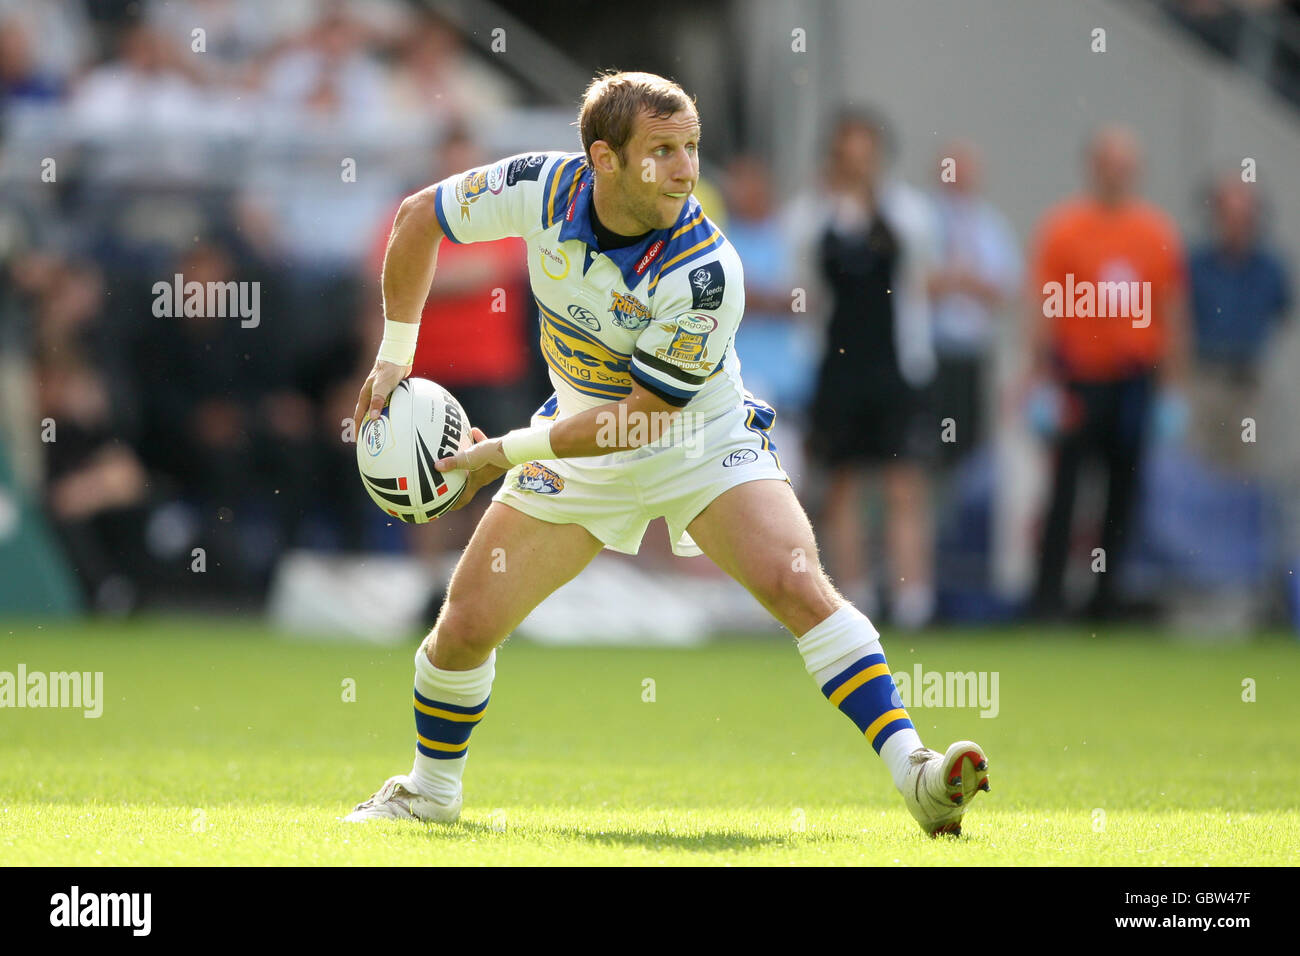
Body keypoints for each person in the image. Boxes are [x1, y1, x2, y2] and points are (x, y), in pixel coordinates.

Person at [345, 72, 989, 836]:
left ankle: (916, 773)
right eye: (663, 151)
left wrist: (506, 453)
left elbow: (644, 421)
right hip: (581, 434)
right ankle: (430, 791)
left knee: (796, 582)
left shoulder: (706, 270)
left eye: (692, 148)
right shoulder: (541, 187)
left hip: (697, 437)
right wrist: (394, 356)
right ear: (603, 159)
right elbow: (421, 218)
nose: (687, 169)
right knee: (464, 625)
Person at [1027, 126, 1190, 621]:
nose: (1116, 174)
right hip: (1080, 376)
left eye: (1125, 165)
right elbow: (1042, 307)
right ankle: (1048, 598)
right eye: (1108, 164)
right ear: (1092, 167)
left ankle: (1106, 598)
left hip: (1133, 379)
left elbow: (1173, 312)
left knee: (1124, 491)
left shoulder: (1155, 232)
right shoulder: (1065, 228)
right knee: (1065, 490)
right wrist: (1039, 379)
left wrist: (1173, 389)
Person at [805, 109, 940, 629]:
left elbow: (917, 262)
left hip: (895, 368)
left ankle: (913, 602)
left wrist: (868, 202)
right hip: (837, 368)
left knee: (904, 485)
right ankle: (853, 601)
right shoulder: (815, 215)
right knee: (840, 487)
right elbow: (806, 278)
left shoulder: (908, 212)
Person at [1186, 173, 1291, 473]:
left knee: (1246, 460)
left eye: (1244, 216)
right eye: (1229, 215)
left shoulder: (1270, 268)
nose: (1236, 224)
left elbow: (1281, 312)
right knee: (1199, 458)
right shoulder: (1197, 264)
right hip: (1205, 376)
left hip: (1249, 380)